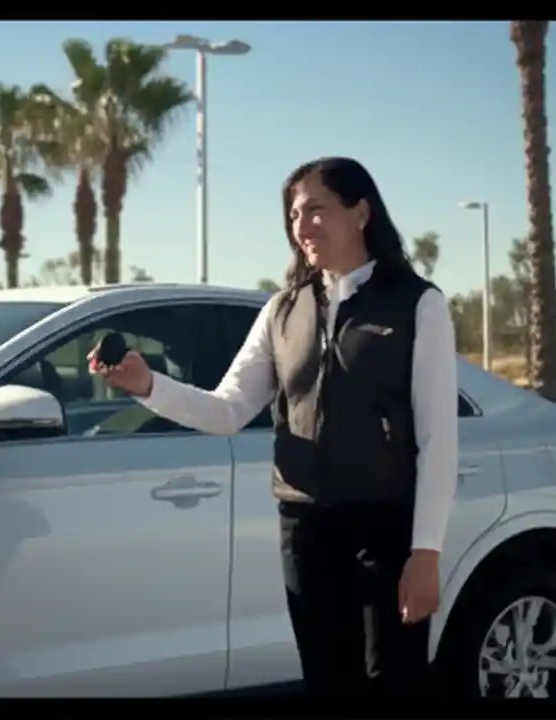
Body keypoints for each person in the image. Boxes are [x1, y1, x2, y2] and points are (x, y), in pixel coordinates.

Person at [94, 156, 458, 697]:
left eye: (316, 209)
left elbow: (437, 439)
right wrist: (149, 385)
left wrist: (425, 553)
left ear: (360, 213)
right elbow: (228, 410)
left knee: (393, 683)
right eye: (293, 214)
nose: (301, 225)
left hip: (388, 528)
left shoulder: (417, 304)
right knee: (328, 681)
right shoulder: (282, 311)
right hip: (306, 528)